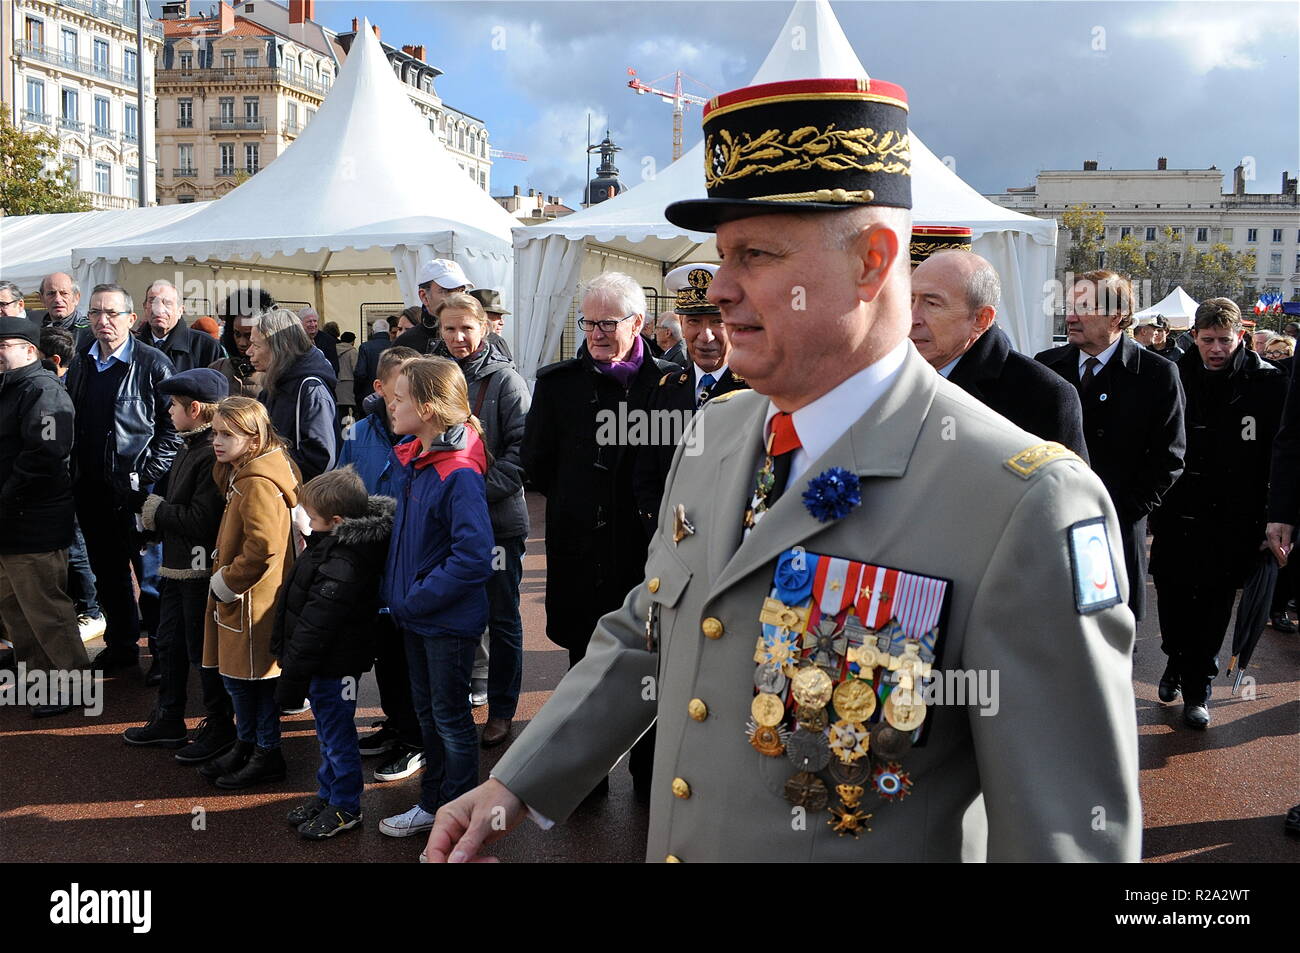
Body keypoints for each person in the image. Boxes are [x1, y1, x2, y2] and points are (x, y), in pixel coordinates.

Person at [425, 75, 1140, 864]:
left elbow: (1068, 837)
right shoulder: (719, 430)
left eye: (756, 254)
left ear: (873, 263)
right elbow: (648, 632)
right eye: (721, 255)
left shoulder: (1023, 500)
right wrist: (516, 784)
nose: (719, 289)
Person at [519, 272, 678, 809]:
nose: (597, 333)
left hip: (645, 551)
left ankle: (649, 776)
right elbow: (536, 463)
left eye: (608, 323)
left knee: (650, 663)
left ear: (638, 323)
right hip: (579, 549)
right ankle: (584, 782)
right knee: (585, 667)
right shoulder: (558, 382)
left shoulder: (669, 384)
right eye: (589, 322)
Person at [1149, 298, 1285, 728]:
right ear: (1194, 337)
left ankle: (1198, 688)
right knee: (1170, 599)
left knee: (1213, 605)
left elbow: (1279, 455)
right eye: (1207, 340)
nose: (1216, 349)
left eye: (1225, 340)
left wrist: (1273, 515)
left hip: (1234, 517)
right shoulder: (1172, 373)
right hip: (1176, 511)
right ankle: (1175, 658)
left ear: (1240, 336)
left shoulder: (1267, 383)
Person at [378, 357, 494, 842]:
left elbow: (473, 556)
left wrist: (415, 599)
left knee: (449, 718)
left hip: (441, 620)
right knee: (432, 715)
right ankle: (438, 802)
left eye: (400, 398)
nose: (390, 403)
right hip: (420, 615)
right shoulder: (418, 456)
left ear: (427, 408)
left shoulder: (457, 470)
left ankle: (457, 810)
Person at [1036, 270, 1186, 621]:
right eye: (1069, 306)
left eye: (1084, 307)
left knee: (1111, 636)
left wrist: (1125, 510)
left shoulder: (1157, 374)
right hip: (1049, 527)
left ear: (1117, 316)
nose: (1070, 316)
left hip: (1118, 529)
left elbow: (1169, 457)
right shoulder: (1045, 367)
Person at [66, 284, 182, 672]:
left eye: (112, 313)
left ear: (132, 319)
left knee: (150, 577)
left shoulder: (153, 363)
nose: (102, 321)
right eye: (95, 313)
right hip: (92, 488)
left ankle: (164, 656)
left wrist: (146, 474)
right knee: (108, 573)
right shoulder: (82, 359)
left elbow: (173, 429)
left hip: (138, 491)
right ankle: (121, 646)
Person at [273, 466, 393, 839]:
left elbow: (316, 624)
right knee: (327, 733)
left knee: (336, 736)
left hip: (332, 665)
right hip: (326, 662)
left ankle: (345, 805)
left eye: (311, 515)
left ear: (336, 520)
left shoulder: (342, 560)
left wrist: (292, 674)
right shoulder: (333, 548)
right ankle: (328, 794)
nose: (305, 520)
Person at [123, 369, 235, 760]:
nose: (168, 411)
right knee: (169, 644)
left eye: (174, 405)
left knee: (200, 650)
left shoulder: (210, 453)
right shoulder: (191, 445)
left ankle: (220, 725)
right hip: (176, 566)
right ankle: (169, 717)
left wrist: (151, 509)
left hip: (197, 571)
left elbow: (200, 521)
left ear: (196, 409)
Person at [438, 293, 531, 748]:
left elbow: (523, 453)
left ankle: (502, 711)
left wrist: (471, 493)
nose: (458, 338)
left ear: (486, 328)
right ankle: (452, 704)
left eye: (466, 328)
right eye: (449, 329)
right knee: (454, 615)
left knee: (501, 619)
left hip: (496, 522)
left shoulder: (506, 382)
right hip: (447, 522)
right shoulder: (434, 375)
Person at [199, 396, 301, 789]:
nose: (217, 441)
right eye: (215, 433)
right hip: (250, 599)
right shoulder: (254, 471)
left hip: (251, 601)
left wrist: (227, 581)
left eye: (227, 434)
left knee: (249, 681)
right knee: (245, 680)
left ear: (254, 438)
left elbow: (263, 547)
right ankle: (249, 745)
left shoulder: (256, 481)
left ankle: (265, 751)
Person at [337, 346, 426, 779]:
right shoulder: (357, 434)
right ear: (380, 388)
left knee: (411, 657)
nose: (406, 400)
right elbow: (341, 486)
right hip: (370, 562)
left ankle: (416, 740)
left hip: (411, 567)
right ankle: (397, 724)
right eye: (399, 392)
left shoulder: (426, 436)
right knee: (385, 652)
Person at [910, 250, 1088, 459]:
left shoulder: (1042, 395)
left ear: (981, 319)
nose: (913, 317)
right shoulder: (885, 376)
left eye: (932, 304)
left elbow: (1065, 489)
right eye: (909, 300)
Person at [0, 316, 89, 716]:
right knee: (15, 606)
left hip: (33, 519)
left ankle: (71, 684)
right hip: (10, 520)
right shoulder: (12, 387)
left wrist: (7, 492)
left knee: (45, 607)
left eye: (2, 347)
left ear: (29, 350)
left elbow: (49, 452)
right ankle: (37, 678)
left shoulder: (43, 390)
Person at [634, 263, 750, 533]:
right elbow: (646, 474)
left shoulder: (757, 392)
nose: (705, 335)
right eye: (694, 321)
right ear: (682, 326)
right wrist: (660, 528)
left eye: (717, 321)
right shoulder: (665, 390)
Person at [37, 325, 103, 641]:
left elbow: (55, 442)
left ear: (53, 359)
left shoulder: (56, 391)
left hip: (67, 483)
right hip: (66, 483)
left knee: (77, 549)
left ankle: (92, 611)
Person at [246, 307, 338, 482]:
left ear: (280, 347)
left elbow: (321, 458)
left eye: (256, 345)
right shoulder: (274, 384)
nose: (249, 351)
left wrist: (264, 465)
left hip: (300, 498)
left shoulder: (310, 389)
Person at [134, 280, 224, 371]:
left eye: (167, 303)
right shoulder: (131, 346)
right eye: (153, 302)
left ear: (180, 310)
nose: (159, 310)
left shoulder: (206, 346)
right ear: (145, 307)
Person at [392, 259, 470, 354]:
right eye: (446, 291)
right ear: (424, 296)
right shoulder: (406, 345)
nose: (456, 297)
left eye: (461, 290)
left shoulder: (482, 340)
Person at [212, 288, 273, 399]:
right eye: (237, 334)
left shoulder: (277, 373)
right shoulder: (217, 369)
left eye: (248, 335)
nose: (242, 343)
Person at [38, 272, 90, 342]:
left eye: (64, 293)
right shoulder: (37, 334)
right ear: (42, 299)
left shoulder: (90, 333)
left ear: (76, 298)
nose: (58, 299)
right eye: (51, 294)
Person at [353, 318, 392, 403]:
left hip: (369, 395)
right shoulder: (395, 345)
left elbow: (360, 373)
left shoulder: (365, 347)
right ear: (388, 331)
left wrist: (357, 393)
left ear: (373, 331)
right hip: (391, 393)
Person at [468, 289, 513, 362]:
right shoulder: (495, 341)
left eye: (501, 316)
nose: (502, 322)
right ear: (481, 316)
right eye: (496, 316)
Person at [298, 307, 339, 375]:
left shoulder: (328, 340)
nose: (313, 324)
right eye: (309, 321)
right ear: (300, 323)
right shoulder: (295, 339)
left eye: (315, 321)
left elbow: (335, 367)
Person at [336, 331, 358, 421]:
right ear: (352, 341)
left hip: (337, 383)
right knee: (352, 410)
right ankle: (350, 431)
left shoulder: (334, 349)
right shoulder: (352, 351)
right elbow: (355, 368)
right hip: (350, 384)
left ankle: (340, 431)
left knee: (341, 410)